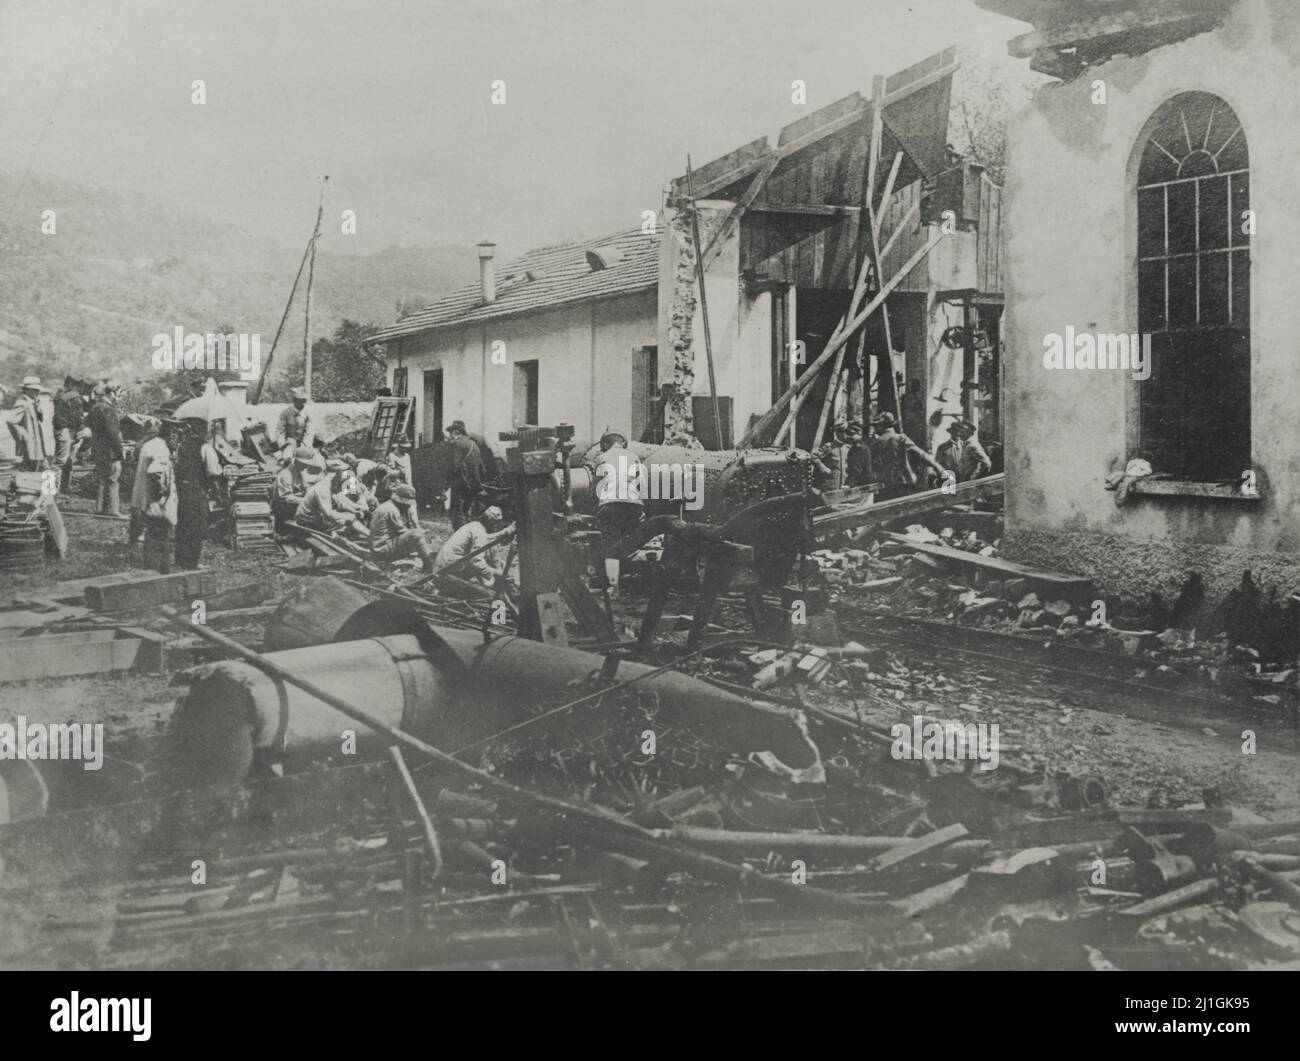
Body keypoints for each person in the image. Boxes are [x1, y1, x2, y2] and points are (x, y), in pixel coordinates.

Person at [592, 431, 645, 591]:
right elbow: (641, 484)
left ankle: (612, 587)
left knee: (610, 545)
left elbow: (595, 487)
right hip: (633, 505)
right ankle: (626, 580)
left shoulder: (602, 458)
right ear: (622, 443)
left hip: (611, 504)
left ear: (606, 445)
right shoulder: (634, 457)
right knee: (627, 542)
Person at [867, 412, 951, 501]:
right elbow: (920, 455)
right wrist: (939, 468)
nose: (875, 429)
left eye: (876, 426)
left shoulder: (875, 443)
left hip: (883, 485)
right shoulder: (900, 439)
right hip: (902, 483)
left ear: (881, 426)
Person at [431, 506, 511, 587]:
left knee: (492, 555)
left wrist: (506, 532)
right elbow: (476, 562)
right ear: (491, 523)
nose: (496, 527)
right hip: (447, 571)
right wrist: (494, 573)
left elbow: (489, 538)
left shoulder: (475, 526)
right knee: (486, 560)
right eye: (495, 524)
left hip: (442, 566)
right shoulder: (480, 533)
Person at [370, 483, 436, 572]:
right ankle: (429, 562)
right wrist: (420, 534)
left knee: (417, 535)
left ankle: (428, 557)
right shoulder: (391, 509)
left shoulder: (388, 506)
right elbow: (403, 532)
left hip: (380, 547)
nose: (408, 506)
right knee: (416, 534)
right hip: (382, 550)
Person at [173, 418, 211, 569]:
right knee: (196, 525)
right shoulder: (205, 447)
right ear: (203, 430)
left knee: (183, 523)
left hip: (182, 488)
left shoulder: (182, 445)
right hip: (197, 489)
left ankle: (180, 558)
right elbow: (213, 470)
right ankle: (192, 561)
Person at [129, 417, 171, 549]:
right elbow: (156, 471)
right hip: (152, 485)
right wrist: (162, 487)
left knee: (140, 508)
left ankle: (134, 537)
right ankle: (151, 541)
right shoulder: (159, 446)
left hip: (143, 482)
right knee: (152, 512)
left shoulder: (148, 444)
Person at [87, 383, 125, 516]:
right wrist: (120, 452)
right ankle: (114, 510)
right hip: (110, 451)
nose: (118, 398)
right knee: (114, 480)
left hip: (99, 448)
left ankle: (99, 508)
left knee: (102, 479)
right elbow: (113, 434)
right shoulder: (108, 409)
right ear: (111, 393)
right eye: (118, 394)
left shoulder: (95, 407)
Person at [140, 441, 178, 574]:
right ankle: (154, 569)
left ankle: (163, 569)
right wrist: (161, 490)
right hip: (159, 504)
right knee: (157, 535)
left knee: (164, 537)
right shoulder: (161, 450)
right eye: (173, 434)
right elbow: (153, 471)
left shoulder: (165, 449)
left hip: (161, 504)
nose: (175, 439)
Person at [273, 446, 325, 530]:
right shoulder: (285, 475)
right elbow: (286, 498)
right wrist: (306, 501)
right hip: (285, 511)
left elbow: (305, 487)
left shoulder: (299, 472)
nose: (306, 467)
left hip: (295, 506)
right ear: (297, 461)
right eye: (304, 464)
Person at [446, 420, 484, 529]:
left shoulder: (457, 444)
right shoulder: (473, 444)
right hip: (474, 484)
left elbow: (454, 465)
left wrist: (448, 482)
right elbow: (482, 466)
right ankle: (469, 533)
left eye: (451, 433)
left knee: (457, 511)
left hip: (460, 484)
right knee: (468, 511)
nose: (450, 436)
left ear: (456, 432)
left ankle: (460, 534)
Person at [52, 375, 85, 494]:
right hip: (66, 430)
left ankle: (63, 489)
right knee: (60, 462)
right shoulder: (73, 397)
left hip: (66, 430)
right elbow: (78, 418)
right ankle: (52, 490)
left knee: (67, 461)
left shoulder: (62, 396)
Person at [9, 376, 50, 472]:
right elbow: (11, 421)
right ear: (26, 390)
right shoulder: (22, 403)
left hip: (36, 444)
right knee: (32, 470)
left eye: (37, 390)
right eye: (34, 390)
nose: (37, 393)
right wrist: (24, 435)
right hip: (29, 445)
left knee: (40, 469)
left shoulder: (31, 403)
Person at [275, 386, 317, 460]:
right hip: (290, 441)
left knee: (307, 456)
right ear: (294, 400)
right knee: (287, 454)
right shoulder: (286, 412)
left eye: (303, 400)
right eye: (298, 400)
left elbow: (310, 431)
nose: (301, 403)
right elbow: (279, 431)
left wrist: (304, 445)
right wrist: (282, 445)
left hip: (304, 441)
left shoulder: (309, 413)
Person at [843, 422, 873, 488]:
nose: (848, 436)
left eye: (851, 434)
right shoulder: (859, 446)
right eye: (847, 434)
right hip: (864, 483)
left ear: (859, 434)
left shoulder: (859, 448)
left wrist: (849, 484)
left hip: (861, 484)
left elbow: (856, 468)